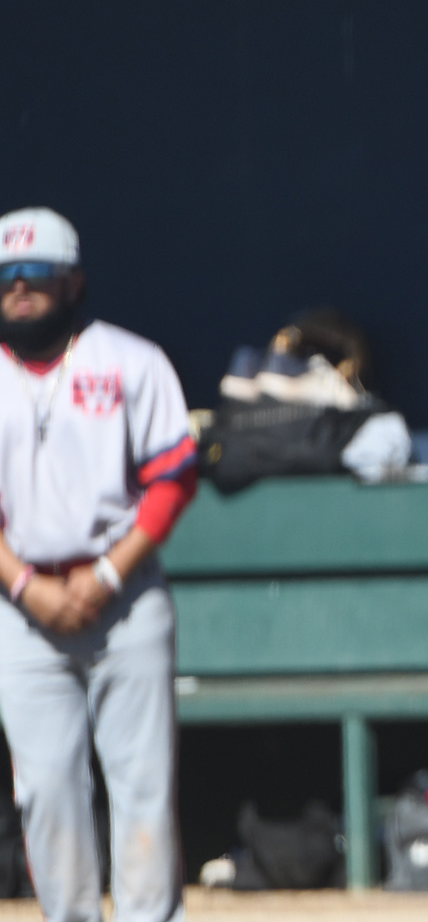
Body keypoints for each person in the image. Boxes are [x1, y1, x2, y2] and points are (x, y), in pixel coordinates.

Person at [0, 208, 198, 922]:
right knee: (47, 790)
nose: (19, 290)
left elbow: (173, 478)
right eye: (6, 277)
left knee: (142, 785)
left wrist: (108, 573)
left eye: (37, 275)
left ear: (73, 281)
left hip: (124, 593)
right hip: (23, 608)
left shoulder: (129, 359)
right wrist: (25, 586)